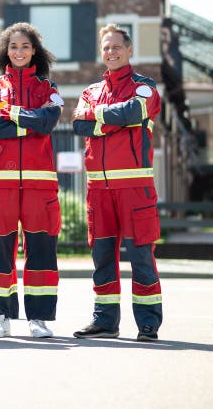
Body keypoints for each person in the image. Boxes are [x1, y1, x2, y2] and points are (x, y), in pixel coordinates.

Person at [71, 23, 163, 341]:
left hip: (135, 189)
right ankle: (105, 321)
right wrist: (112, 119)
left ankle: (148, 323)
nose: (111, 52)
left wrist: (97, 116)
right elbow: (79, 126)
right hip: (99, 191)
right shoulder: (90, 91)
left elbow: (134, 111)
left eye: (117, 46)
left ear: (129, 49)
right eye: (106, 47)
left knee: (141, 257)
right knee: (102, 258)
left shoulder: (145, 86)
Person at [0, 22, 63, 338]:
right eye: (13, 46)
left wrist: (10, 112)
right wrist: (30, 120)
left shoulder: (47, 88)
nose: (19, 52)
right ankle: (2, 316)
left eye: (25, 46)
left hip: (39, 186)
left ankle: (38, 319)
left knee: (41, 251)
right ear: (5, 51)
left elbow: (48, 122)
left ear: (34, 50)